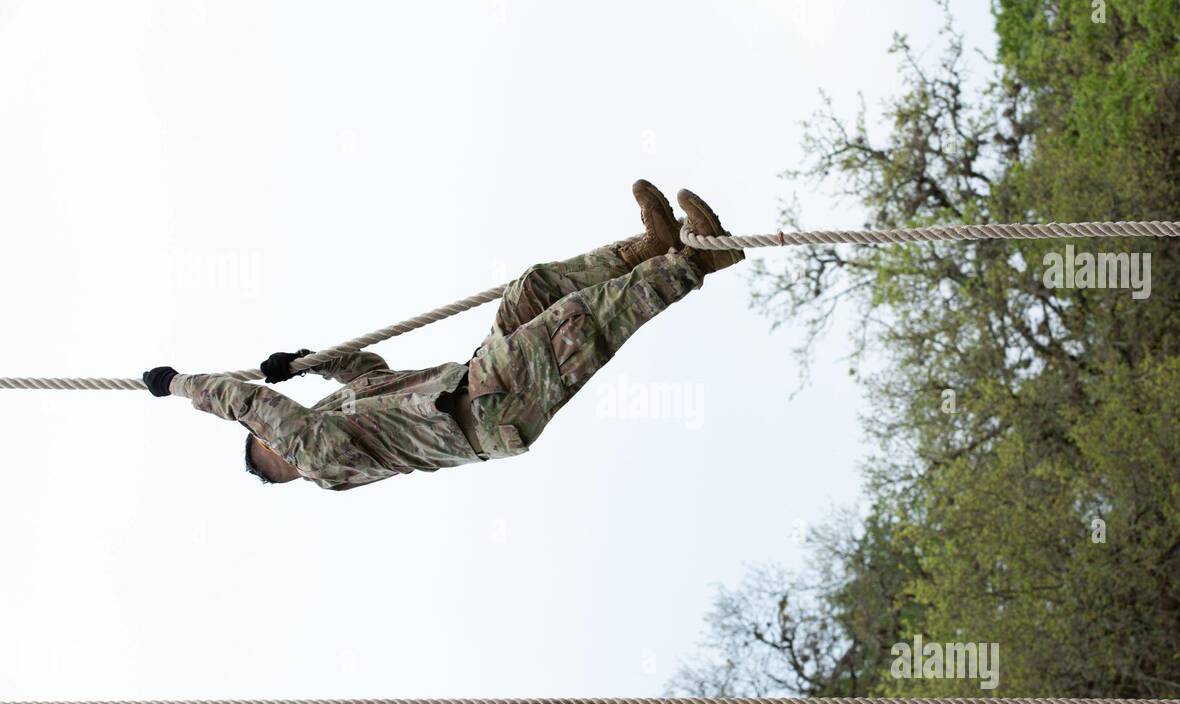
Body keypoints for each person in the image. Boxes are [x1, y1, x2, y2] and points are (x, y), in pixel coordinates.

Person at [142, 182, 744, 491]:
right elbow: (254, 406)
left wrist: (307, 364)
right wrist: (178, 385)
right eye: (269, 453)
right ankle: (696, 262)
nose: (272, 441)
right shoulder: (323, 462)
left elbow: (368, 371)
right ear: (287, 470)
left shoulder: (342, 414)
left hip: (471, 379)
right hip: (485, 411)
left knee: (530, 291)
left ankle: (652, 248)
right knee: (579, 321)